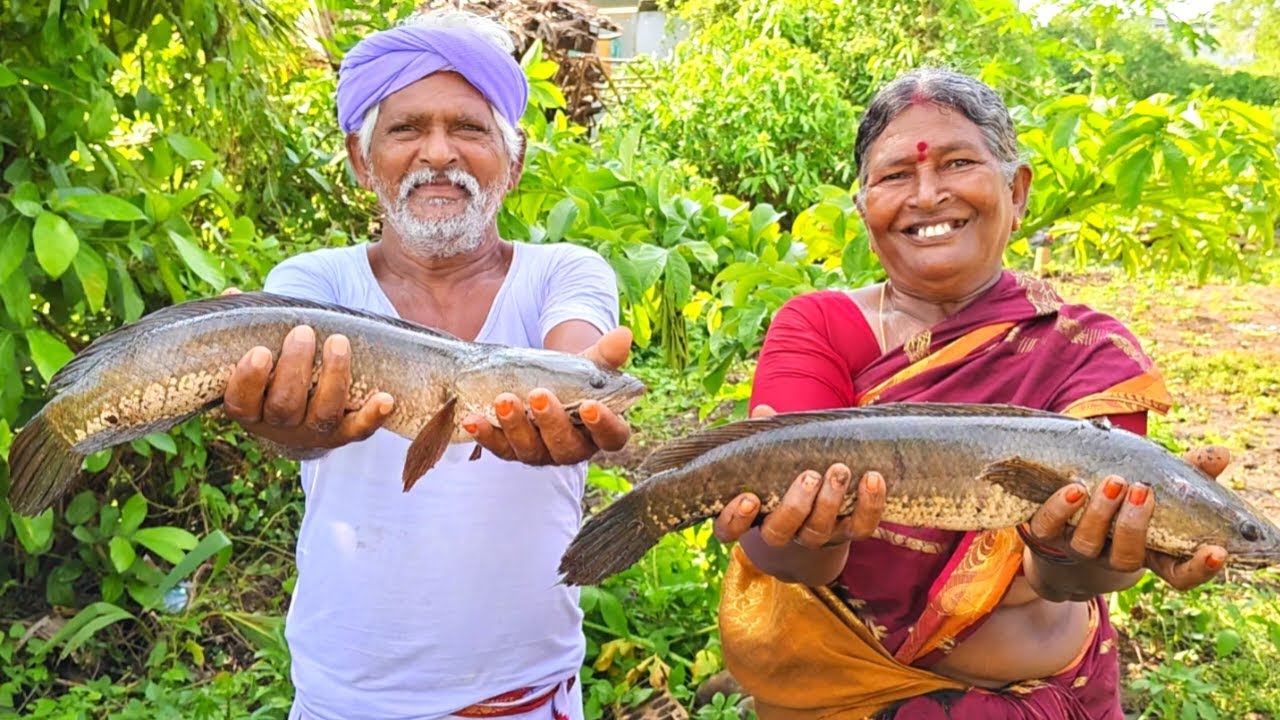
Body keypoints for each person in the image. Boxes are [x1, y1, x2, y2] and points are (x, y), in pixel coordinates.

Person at [711, 68, 1231, 719]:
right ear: (864, 206)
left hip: (1040, 695)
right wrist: (803, 533)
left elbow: (1073, 577)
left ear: (1017, 191)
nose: (927, 195)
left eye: (958, 163)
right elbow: (779, 555)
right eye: (896, 175)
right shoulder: (819, 327)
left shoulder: (1086, 351)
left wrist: (1093, 551)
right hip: (841, 691)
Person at [218, 10, 632, 720]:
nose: (438, 153)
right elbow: (288, 419)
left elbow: (571, 357)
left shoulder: (562, 272)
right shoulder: (316, 282)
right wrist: (286, 421)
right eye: (407, 129)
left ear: (517, 158)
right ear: (360, 158)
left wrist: (579, 388)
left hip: (525, 699)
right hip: (342, 700)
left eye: (468, 129)